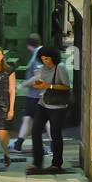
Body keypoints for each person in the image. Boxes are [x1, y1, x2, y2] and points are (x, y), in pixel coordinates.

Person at [26, 45, 71, 174]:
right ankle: (37, 162)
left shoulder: (60, 68)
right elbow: (43, 82)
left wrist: (49, 85)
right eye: (43, 59)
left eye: (47, 59)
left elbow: (66, 87)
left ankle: (56, 164)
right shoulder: (43, 69)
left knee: (55, 133)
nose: (45, 61)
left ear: (53, 57)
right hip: (44, 102)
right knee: (35, 131)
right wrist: (39, 85)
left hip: (58, 106)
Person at [12, 32, 43, 152]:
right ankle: (18, 144)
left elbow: (38, 76)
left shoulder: (37, 55)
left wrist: (22, 84)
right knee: (28, 118)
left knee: (43, 121)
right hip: (35, 94)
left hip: (37, 95)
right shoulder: (39, 53)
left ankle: (52, 146)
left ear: (29, 45)